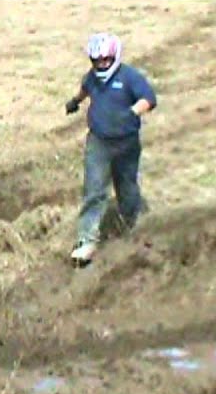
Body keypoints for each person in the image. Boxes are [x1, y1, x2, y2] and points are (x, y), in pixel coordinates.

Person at [64, 32, 158, 266]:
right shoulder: (93, 78)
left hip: (126, 143)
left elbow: (149, 98)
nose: (101, 65)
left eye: (105, 60)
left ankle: (133, 229)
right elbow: (85, 88)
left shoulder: (129, 76)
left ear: (114, 57)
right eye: (96, 61)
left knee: (126, 188)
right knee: (94, 189)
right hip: (99, 142)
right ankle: (87, 240)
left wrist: (132, 112)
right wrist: (75, 101)